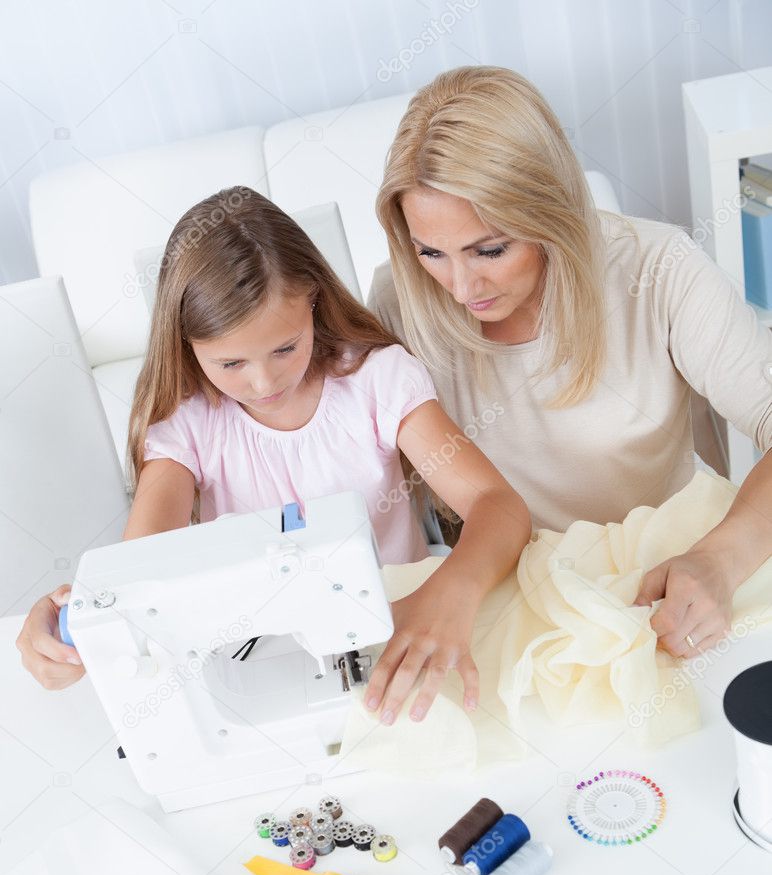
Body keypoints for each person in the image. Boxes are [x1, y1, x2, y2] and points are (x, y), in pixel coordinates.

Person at [16, 186, 531, 725]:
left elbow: (498, 504)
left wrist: (448, 593)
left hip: (395, 630)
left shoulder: (376, 381)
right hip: (258, 662)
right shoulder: (187, 425)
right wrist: (66, 623)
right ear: (187, 345)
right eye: (231, 363)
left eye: (285, 348)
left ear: (313, 299)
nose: (264, 383)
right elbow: (137, 568)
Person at [368, 64, 772, 672]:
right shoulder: (398, 303)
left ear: (548, 212)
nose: (459, 285)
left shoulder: (657, 270)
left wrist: (722, 558)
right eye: (432, 252)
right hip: (513, 612)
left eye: (490, 249)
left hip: (668, 584)